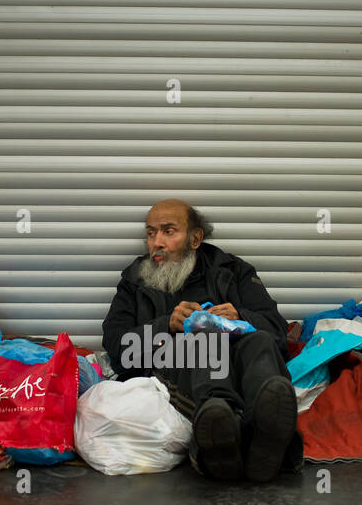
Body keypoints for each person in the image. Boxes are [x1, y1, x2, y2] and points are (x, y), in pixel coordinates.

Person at [102, 199, 303, 482]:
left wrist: (240, 315)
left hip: (237, 362)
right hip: (172, 367)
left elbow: (277, 330)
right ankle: (220, 426)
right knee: (204, 338)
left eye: (168, 231)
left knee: (260, 341)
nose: (157, 242)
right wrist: (165, 325)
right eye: (150, 233)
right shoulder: (134, 281)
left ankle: (260, 433)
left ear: (195, 238)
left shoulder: (233, 271)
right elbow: (116, 345)